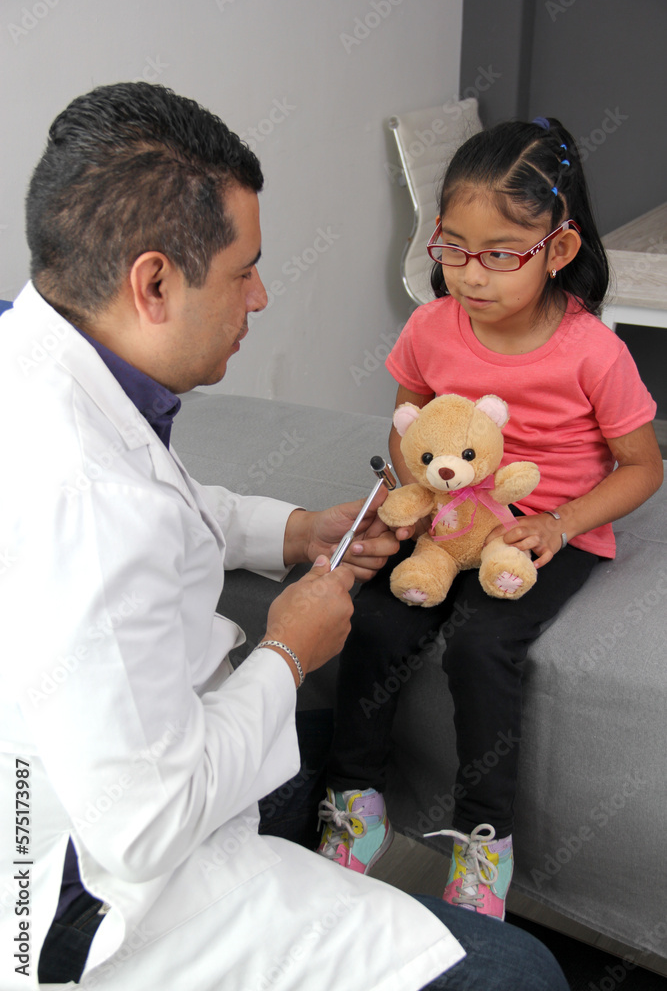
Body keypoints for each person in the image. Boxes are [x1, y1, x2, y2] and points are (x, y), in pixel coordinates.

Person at [0, 84, 571, 991]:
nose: (261, 297)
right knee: (520, 974)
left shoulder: (37, 355)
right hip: (96, 894)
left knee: (319, 739)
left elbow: (167, 501)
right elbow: (143, 827)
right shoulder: (88, 501)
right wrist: (287, 650)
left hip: (79, 764)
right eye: (244, 272)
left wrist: (299, 530)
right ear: (154, 283)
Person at [316, 117, 663, 921]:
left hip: (539, 529)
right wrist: (413, 497)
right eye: (453, 248)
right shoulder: (429, 327)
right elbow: (405, 422)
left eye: (501, 254)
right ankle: (353, 802)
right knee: (374, 620)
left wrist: (561, 525)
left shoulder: (591, 351)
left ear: (558, 249)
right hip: (451, 519)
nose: (471, 275)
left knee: (479, 645)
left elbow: (643, 466)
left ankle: (482, 842)